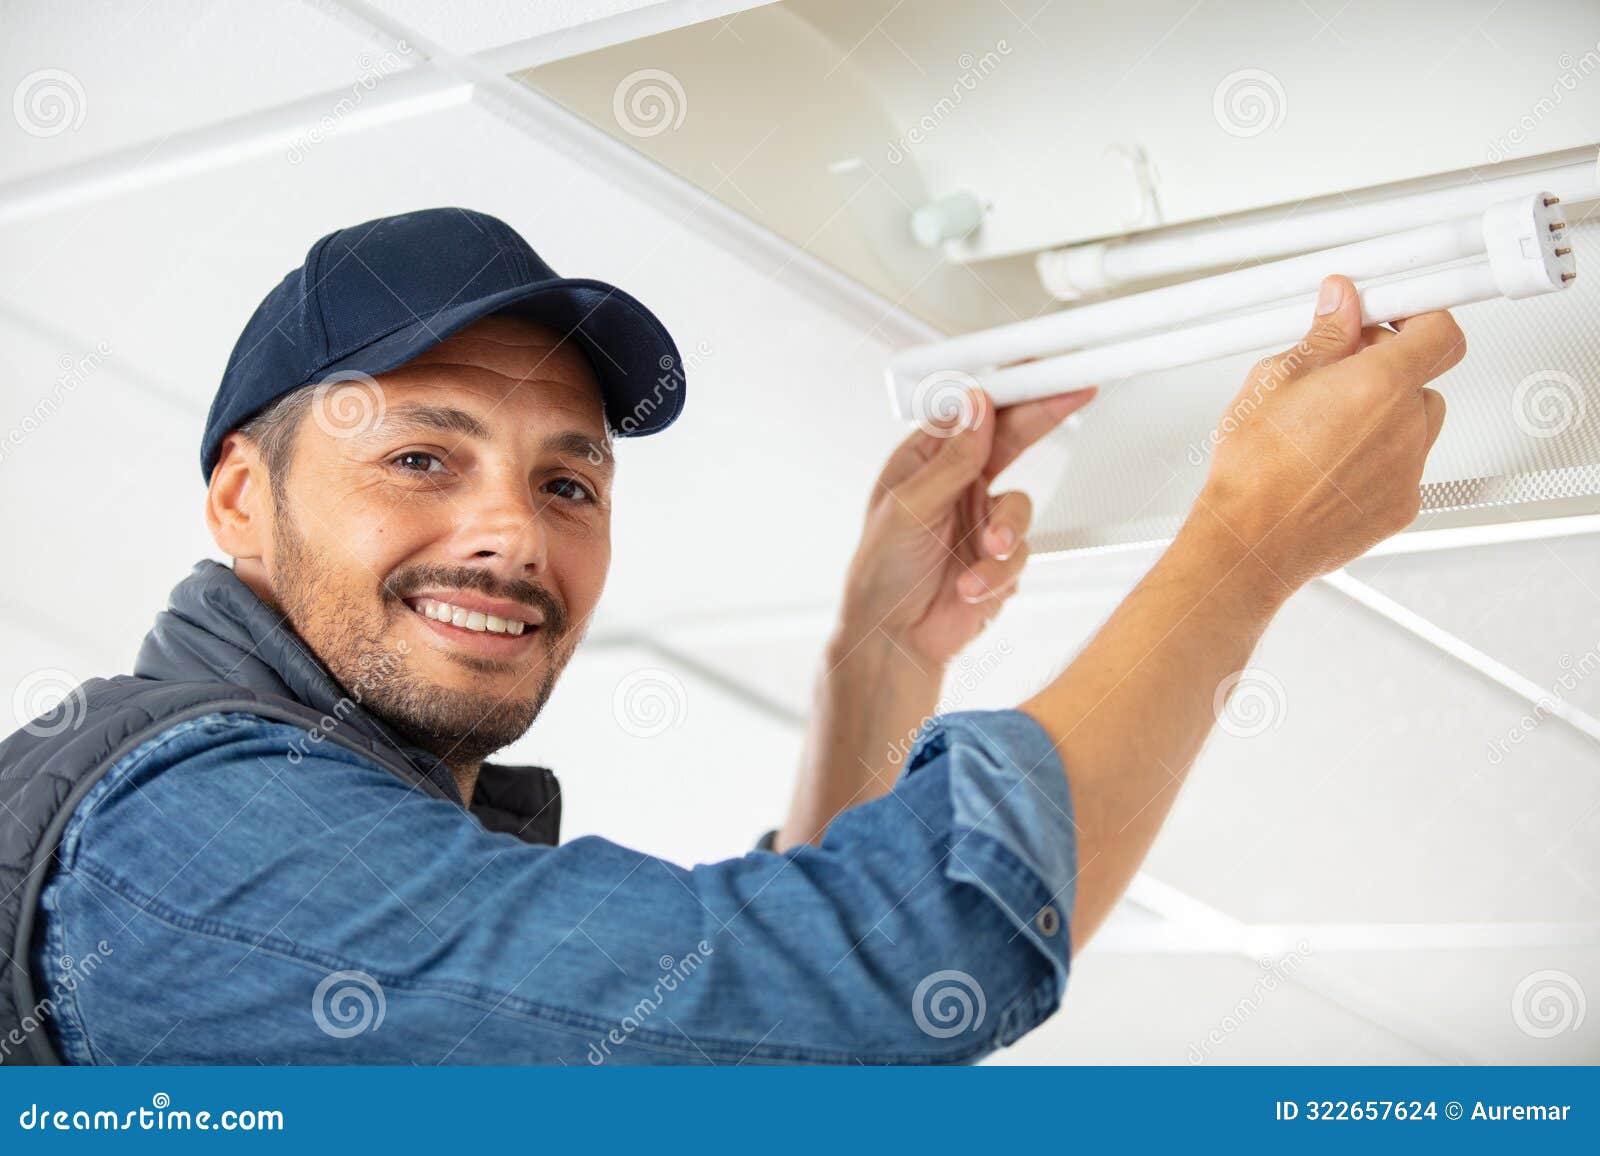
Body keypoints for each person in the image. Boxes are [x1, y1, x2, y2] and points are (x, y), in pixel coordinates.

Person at [0, 208, 1460, 1065]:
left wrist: (883, 659)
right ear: (243, 499)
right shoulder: (179, 840)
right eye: (421, 459)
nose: (513, 534)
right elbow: (868, 996)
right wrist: (1248, 546)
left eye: (568, 483)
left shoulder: (331, 838)